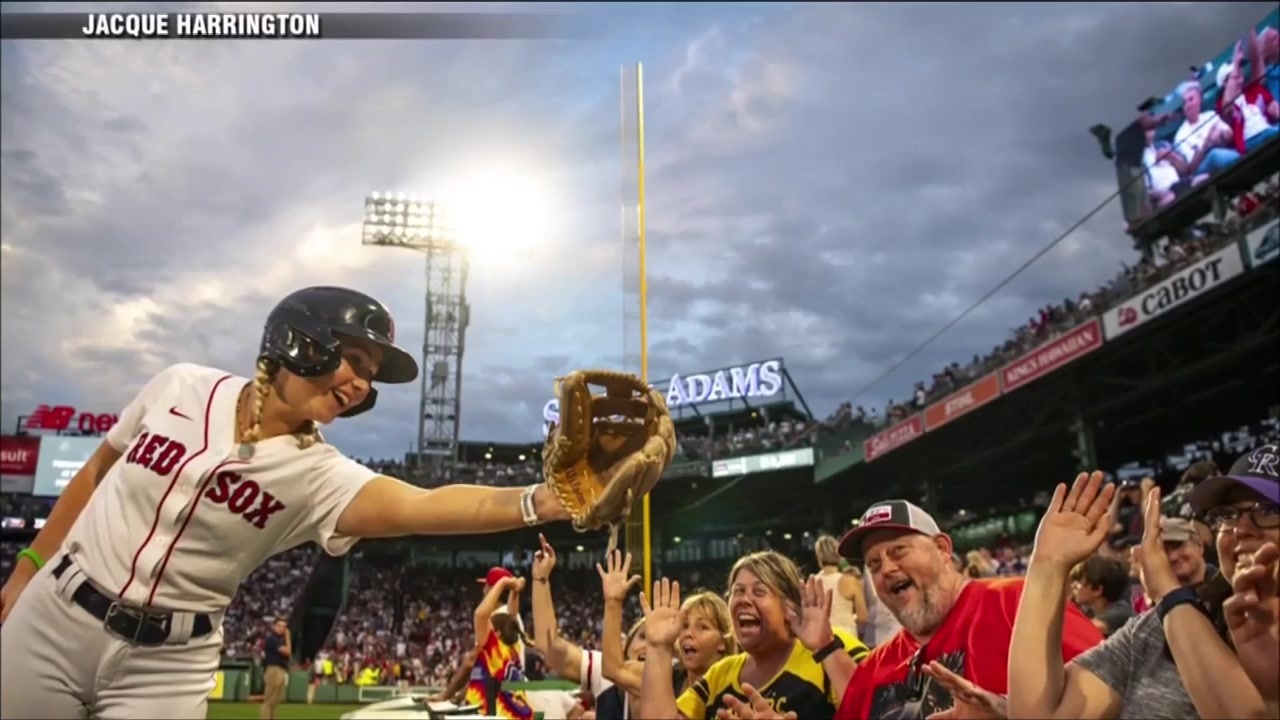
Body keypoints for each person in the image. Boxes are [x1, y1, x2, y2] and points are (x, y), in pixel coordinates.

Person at [0, 286, 574, 720]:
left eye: (371, 377)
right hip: (56, 616)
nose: (361, 385)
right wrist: (28, 567)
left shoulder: (318, 474)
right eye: (355, 360)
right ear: (299, 340)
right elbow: (99, 468)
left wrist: (542, 500)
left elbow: (425, 506)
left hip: (167, 665)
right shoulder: (181, 385)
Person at [1007, 461, 1278, 719]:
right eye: (1227, 515)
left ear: (1198, 545)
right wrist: (1047, 566)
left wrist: (1171, 597)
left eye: (1269, 511)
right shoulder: (1154, 630)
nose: (1241, 529)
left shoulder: (1172, 611)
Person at [832, 499, 1102, 720]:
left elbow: (1121, 690)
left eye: (899, 550)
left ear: (942, 549)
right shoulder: (871, 671)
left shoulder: (1018, 603)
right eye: (874, 564)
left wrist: (1010, 713)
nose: (887, 568)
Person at [637, 550, 868, 720]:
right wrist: (658, 648)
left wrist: (826, 648)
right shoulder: (720, 675)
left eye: (759, 591)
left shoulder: (831, 647)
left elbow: (877, 711)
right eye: (738, 591)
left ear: (789, 605)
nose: (744, 599)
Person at [528, 534, 650, 719]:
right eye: (642, 636)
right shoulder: (606, 673)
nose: (648, 647)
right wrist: (541, 580)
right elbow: (550, 647)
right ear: (625, 648)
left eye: (658, 642)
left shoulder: (679, 685)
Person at [595, 549, 734, 710]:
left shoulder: (736, 682)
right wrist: (613, 602)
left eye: (702, 627)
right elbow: (613, 669)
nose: (688, 633)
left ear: (723, 642)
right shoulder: (667, 676)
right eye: (685, 625)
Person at [466, 575, 534, 719]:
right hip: (519, 711)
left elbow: (479, 615)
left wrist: (503, 583)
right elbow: (512, 615)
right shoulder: (513, 646)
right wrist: (515, 591)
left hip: (500, 713)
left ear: (496, 633)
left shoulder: (495, 649)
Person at [813, 535, 868, 642]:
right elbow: (863, 617)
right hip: (848, 639)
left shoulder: (812, 583)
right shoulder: (849, 581)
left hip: (823, 640)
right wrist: (846, 619)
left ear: (818, 556)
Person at [1068, 557, 1134, 637]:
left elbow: (1081, 631)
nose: (1073, 586)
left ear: (1097, 590)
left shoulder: (1120, 613)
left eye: (1079, 581)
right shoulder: (1089, 611)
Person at [260, 616, 293, 720]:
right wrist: (288, 637)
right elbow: (287, 652)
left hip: (280, 669)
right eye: (279, 626)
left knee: (275, 701)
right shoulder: (273, 639)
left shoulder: (279, 639)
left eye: (284, 627)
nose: (281, 628)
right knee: (269, 700)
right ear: (273, 626)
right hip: (274, 669)